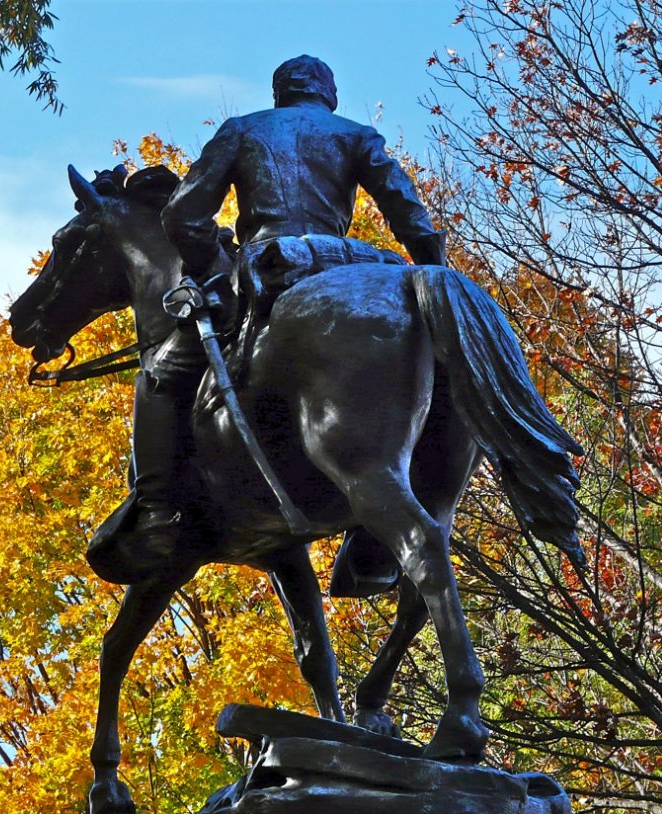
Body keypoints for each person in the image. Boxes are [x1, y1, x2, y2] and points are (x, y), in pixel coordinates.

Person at [128, 55, 445, 584]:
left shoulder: (242, 131)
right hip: (348, 264)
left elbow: (183, 214)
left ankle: (157, 507)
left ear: (280, 94)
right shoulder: (355, 135)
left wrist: (210, 264)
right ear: (329, 95)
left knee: (161, 372)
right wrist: (434, 276)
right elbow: (409, 212)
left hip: (267, 268)